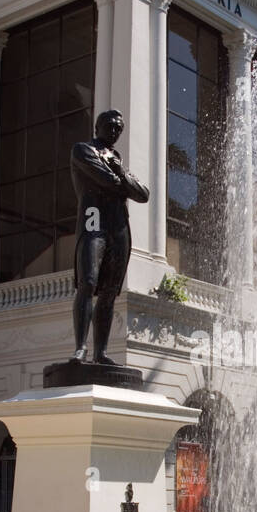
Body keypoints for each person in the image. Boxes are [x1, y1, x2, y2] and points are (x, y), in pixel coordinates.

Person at [70, 109, 149, 364]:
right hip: (93, 221)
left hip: (118, 227)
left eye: (119, 129)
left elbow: (143, 194)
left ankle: (100, 352)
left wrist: (121, 174)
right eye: (111, 126)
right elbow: (108, 181)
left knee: (110, 291)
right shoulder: (83, 150)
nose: (115, 132)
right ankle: (80, 348)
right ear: (98, 126)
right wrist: (122, 179)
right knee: (88, 282)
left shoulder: (116, 160)